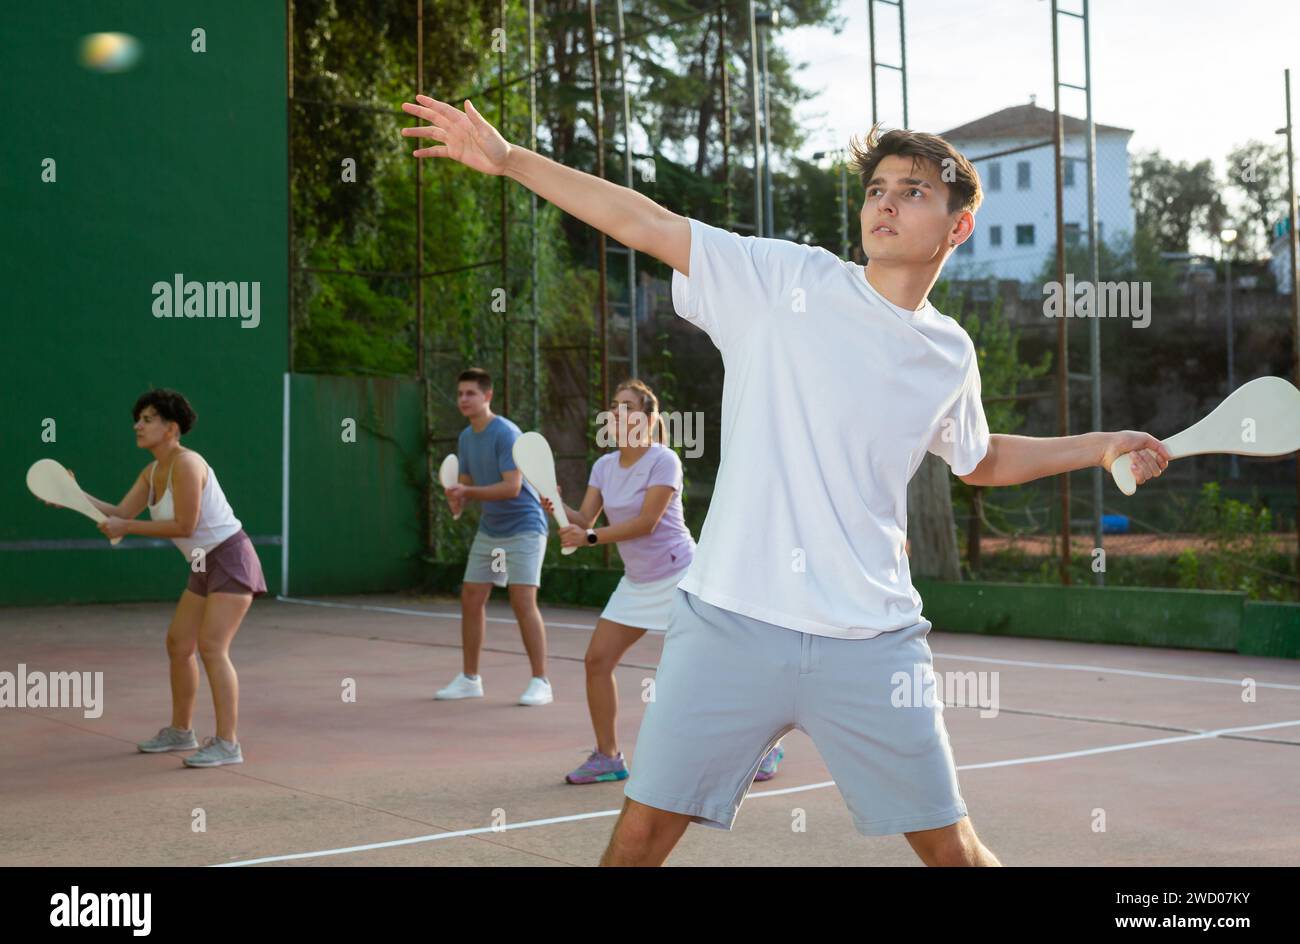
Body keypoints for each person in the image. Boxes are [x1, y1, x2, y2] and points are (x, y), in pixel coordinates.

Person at [400, 97, 1170, 866]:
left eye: (913, 191)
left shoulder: (948, 352)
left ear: (958, 225)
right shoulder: (782, 279)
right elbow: (645, 222)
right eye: (876, 190)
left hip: (871, 641)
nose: (887, 203)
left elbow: (979, 459)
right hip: (728, 623)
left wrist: (1101, 446)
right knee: (637, 839)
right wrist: (509, 161)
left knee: (955, 852)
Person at [543, 379, 787, 785]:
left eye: (627, 406)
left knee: (718, 667)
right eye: (614, 406)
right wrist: (554, 502)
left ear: (648, 418)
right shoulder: (604, 466)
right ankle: (608, 758)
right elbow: (584, 521)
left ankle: (769, 746)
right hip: (637, 582)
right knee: (597, 661)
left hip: (680, 576)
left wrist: (587, 538)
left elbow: (646, 522)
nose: (617, 413)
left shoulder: (664, 461)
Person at [78, 388, 266, 767]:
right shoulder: (152, 471)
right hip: (200, 562)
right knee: (179, 644)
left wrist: (126, 526)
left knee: (212, 647)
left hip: (230, 556)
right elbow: (118, 511)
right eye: (138, 419)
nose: (138, 426)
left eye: (148, 419)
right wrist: (72, 493)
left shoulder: (188, 464)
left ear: (172, 428)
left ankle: (228, 743)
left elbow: (185, 524)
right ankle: (181, 731)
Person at [435, 368, 553, 706]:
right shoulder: (466, 438)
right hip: (492, 528)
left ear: (488, 396)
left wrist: (468, 490)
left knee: (522, 600)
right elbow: (470, 480)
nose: (463, 400)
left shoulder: (506, 433)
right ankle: (470, 679)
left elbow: (512, 487)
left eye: (470, 393)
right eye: (460, 394)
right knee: (471, 596)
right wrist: (459, 495)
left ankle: (541, 681)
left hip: (526, 526)